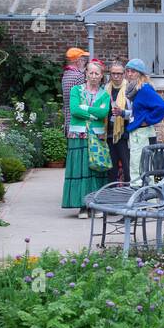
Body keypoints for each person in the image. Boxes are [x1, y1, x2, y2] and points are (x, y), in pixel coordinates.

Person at [61, 59, 112, 218]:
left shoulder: (104, 94)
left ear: (101, 75)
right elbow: (75, 110)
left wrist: (86, 110)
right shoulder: (76, 90)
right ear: (86, 74)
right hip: (79, 134)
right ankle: (82, 206)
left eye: (97, 73)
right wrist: (93, 112)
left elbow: (104, 113)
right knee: (80, 169)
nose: (94, 76)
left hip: (97, 135)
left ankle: (95, 205)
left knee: (95, 169)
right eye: (91, 72)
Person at [122, 58, 164, 178]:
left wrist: (146, 120)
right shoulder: (135, 89)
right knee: (136, 165)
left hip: (143, 133)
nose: (130, 74)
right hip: (137, 133)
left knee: (142, 167)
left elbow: (161, 106)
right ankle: (140, 193)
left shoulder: (144, 88)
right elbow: (141, 109)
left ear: (140, 73)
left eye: (133, 71)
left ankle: (145, 195)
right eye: (128, 71)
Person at [106, 59, 131, 184]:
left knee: (127, 166)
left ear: (124, 74)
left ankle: (127, 191)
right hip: (109, 133)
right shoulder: (105, 89)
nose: (116, 76)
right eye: (113, 73)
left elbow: (134, 113)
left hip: (124, 133)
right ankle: (111, 193)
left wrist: (122, 112)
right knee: (111, 167)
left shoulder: (129, 90)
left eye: (119, 74)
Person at [61, 48, 87, 134]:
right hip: (78, 122)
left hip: (68, 119)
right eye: (83, 59)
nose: (84, 62)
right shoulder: (78, 76)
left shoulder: (66, 74)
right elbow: (84, 100)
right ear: (78, 60)